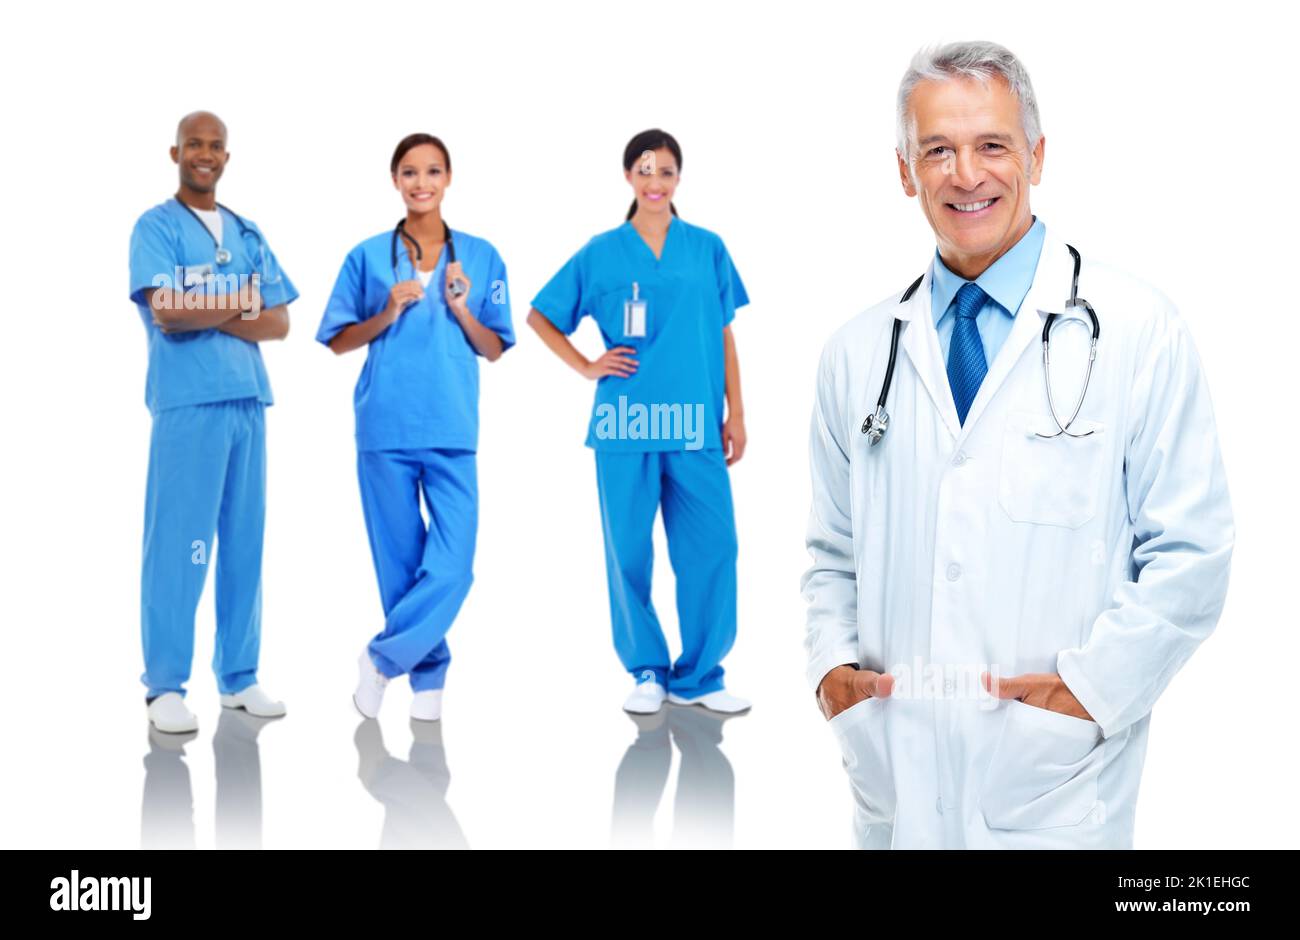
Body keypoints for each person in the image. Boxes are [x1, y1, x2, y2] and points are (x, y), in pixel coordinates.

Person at [802, 41, 1234, 849]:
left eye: (992, 145)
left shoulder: (1138, 331)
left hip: (1056, 793)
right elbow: (832, 552)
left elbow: (1192, 552)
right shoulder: (856, 354)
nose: (966, 174)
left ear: (1036, 155)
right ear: (904, 170)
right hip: (897, 790)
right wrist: (832, 673)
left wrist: (1090, 692)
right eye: (938, 149)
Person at [528, 129, 751, 716]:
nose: (656, 182)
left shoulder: (706, 248)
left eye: (666, 171)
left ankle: (700, 676)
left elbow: (724, 333)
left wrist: (737, 412)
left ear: (679, 178)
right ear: (628, 176)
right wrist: (586, 365)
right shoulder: (601, 252)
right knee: (628, 553)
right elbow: (541, 315)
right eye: (645, 171)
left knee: (714, 549)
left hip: (696, 424)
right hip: (625, 423)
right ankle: (648, 670)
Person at [317, 133, 515, 722]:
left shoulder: (481, 257)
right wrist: (387, 311)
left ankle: (381, 660)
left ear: (448, 178)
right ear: (395, 181)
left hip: (452, 427)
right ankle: (428, 681)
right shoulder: (367, 256)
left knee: (452, 567)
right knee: (400, 566)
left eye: (432, 171)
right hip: (386, 426)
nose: (421, 183)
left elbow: (494, 348)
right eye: (409, 172)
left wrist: (461, 309)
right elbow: (337, 340)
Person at [129, 111, 298, 734]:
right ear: (175, 153)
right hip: (189, 404)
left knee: (243, 542)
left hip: (247, 403)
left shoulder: (247, 231)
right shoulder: (156, 228)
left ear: (227, 156)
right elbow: (167, 312)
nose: (205, 154)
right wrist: (241, 300)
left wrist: (207, 305)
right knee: (181, 544)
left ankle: (239, 676)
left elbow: (279, 322)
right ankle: (165, 686)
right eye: (194, 144)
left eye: (216, 145)